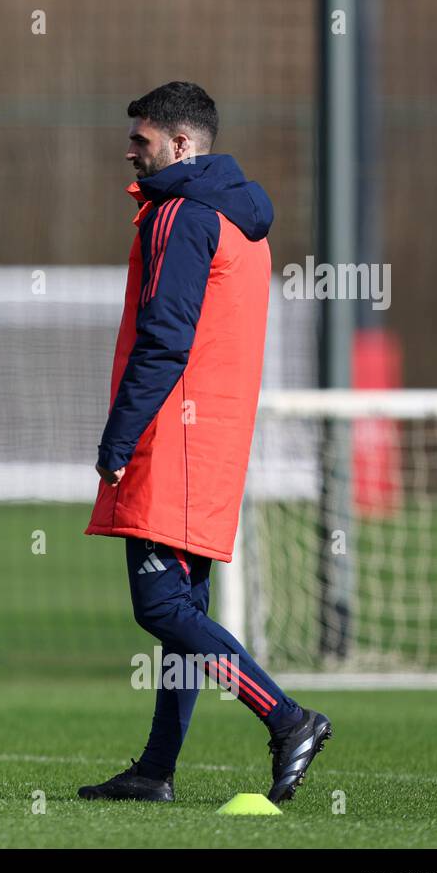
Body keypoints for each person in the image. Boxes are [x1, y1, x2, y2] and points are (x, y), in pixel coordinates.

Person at [81, 82, 331, 804]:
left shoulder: (180, 214)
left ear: (181, 145)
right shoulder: (241, 217)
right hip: (215, 439)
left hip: (172, 436)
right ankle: (156, 770)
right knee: (181, 612)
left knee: (161, 608)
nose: (131, 149)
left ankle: (288, 719)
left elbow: (165, 338)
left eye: (143, 139)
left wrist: (119, 436)